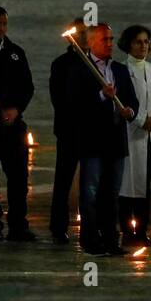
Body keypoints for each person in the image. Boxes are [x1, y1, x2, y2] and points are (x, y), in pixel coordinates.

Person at [66, 22, 138, 255]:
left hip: (116, 140)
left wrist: (130, 111)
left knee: (111, 194)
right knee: (90, 193)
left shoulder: (119, 69)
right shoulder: (80, 69)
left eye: (111, 39)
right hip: (92, 140)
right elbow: (74, 104)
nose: (110, 44)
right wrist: (100, 95)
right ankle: (90, 240)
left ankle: (111, 240)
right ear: (91, 42)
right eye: (105, 40)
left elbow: (131, 99)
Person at [117, 24, 151, 248]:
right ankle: (127, 231)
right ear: (129, 44)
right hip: (131, 134)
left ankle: (143, 230)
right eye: (138, 42)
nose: (143, 46)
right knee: (127, 186)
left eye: (146, 41)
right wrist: (141, 121)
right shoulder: (121, 71)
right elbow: (123, 102)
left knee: (146, 184)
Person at [0, 5, 36, 242]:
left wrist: (15, 109)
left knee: (18, 179)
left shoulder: (16, 52)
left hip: (13, 125)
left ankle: (18, 224)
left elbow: (27, 87)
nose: (1, 28)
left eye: (4, 24)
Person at [48, 17, 87, 244]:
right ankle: (58, 227)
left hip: (92, 132)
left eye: (87, 33)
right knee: (63, 179)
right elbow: (58, 99)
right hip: (69, 130)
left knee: (91, 180)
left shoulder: (99, 62)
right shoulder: (62, 64)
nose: (84, 37)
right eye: (80, 33)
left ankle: (92, 225)